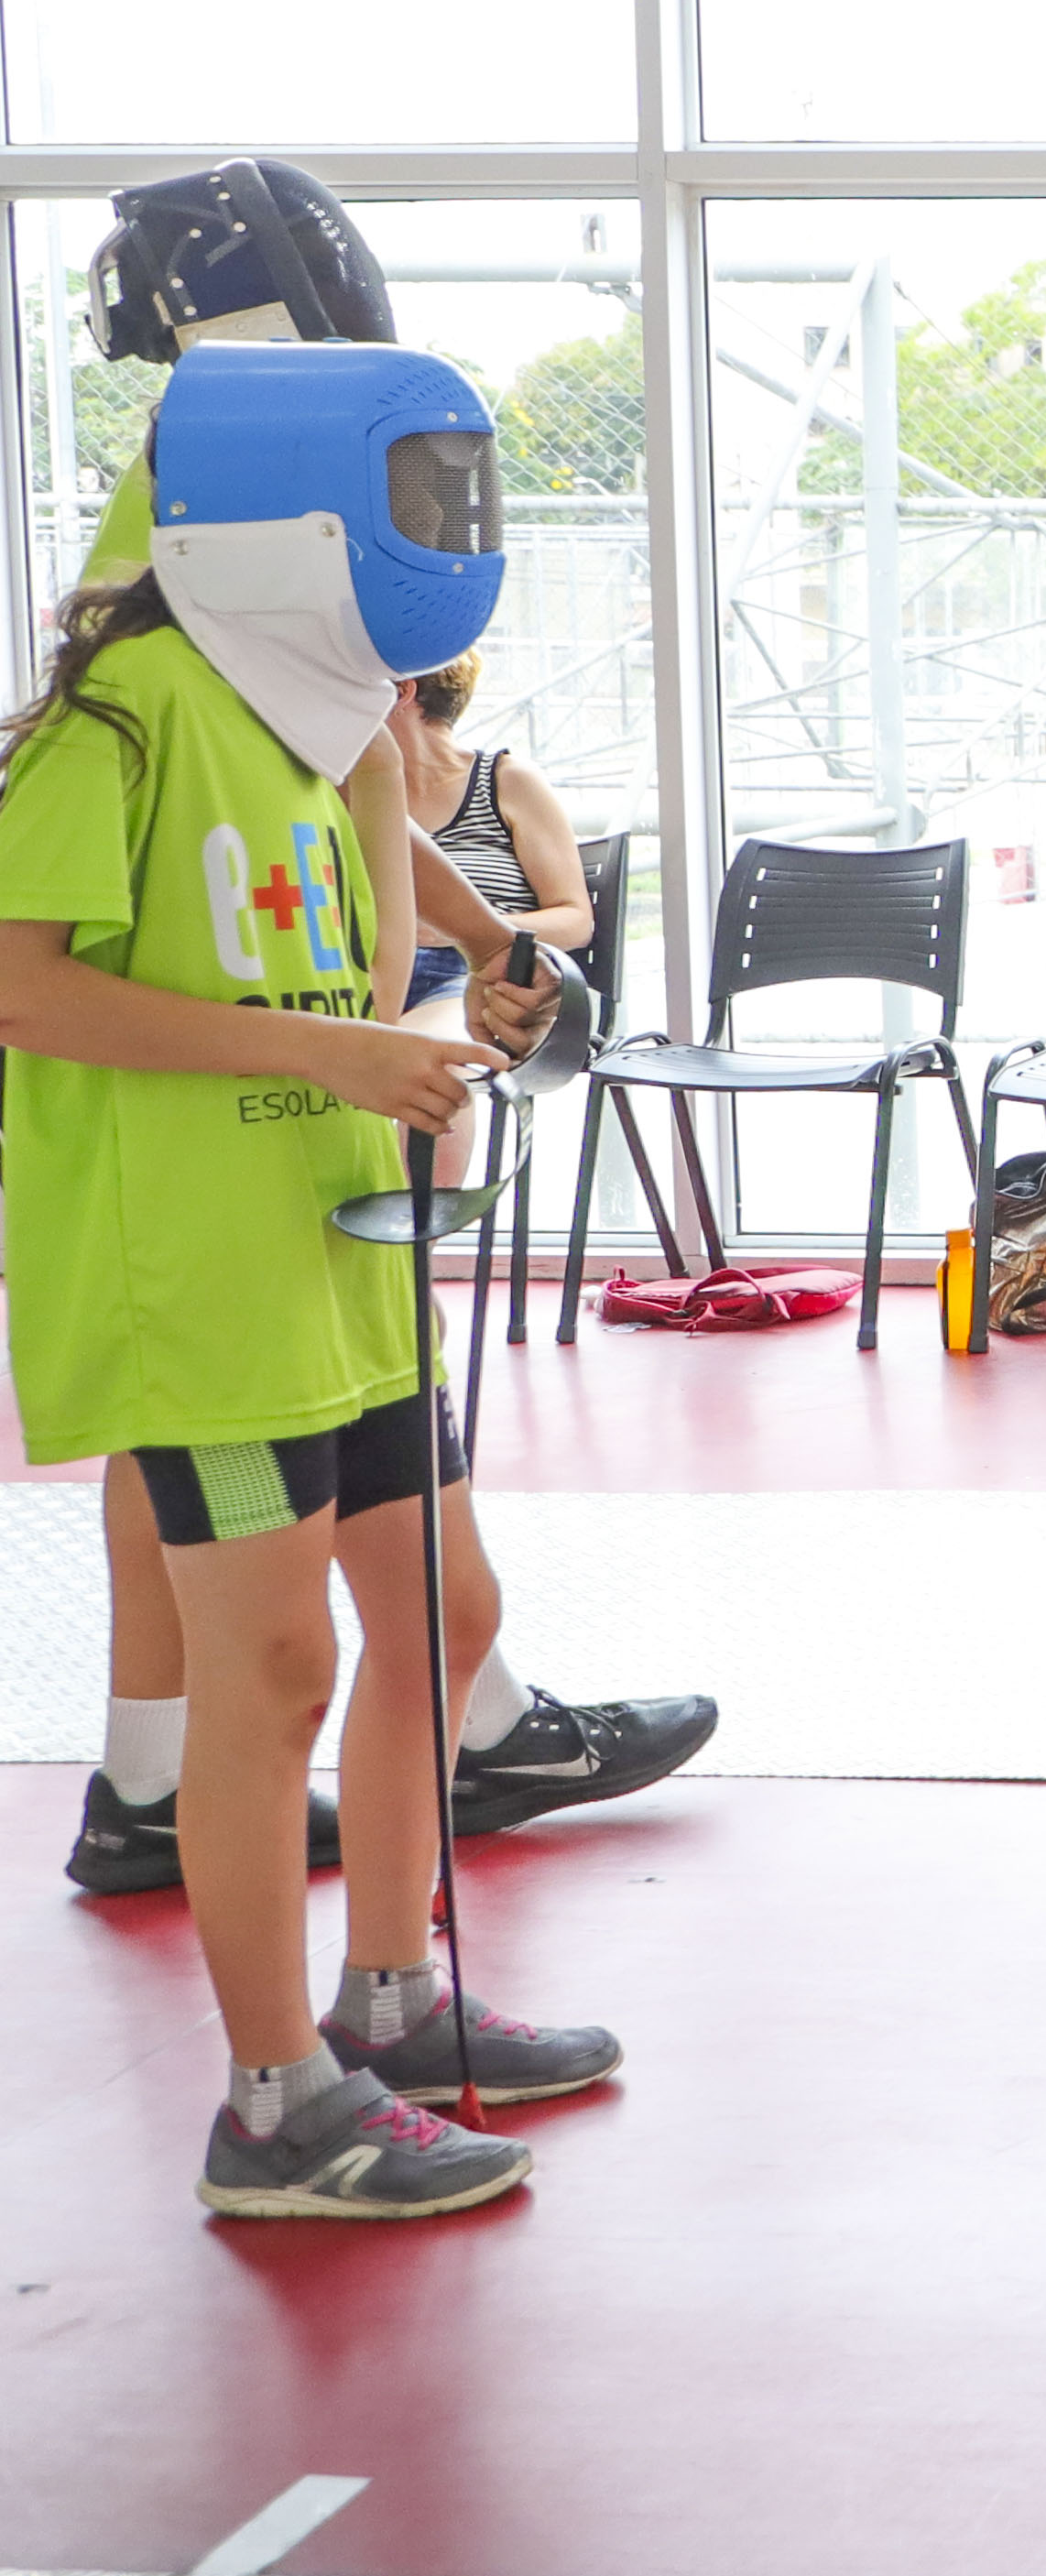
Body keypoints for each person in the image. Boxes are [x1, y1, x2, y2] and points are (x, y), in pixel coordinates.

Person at [3, 340, 616, 2218]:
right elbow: (24, 980)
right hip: (199, 1285)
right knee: (271, 1665)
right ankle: (275, 2101)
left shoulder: (315, 716)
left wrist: (486, 963)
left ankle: (395, 2002)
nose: (435, 536)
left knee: (437, 1612)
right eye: (406, 497)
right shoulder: (115, 723)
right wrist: (352, 1056)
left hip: (341, 1262)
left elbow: (359, 944)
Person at [60, 161, 714, 1902]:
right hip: (242, 1091)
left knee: (265, 1471)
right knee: (211, 1459)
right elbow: (276, 769)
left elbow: (346, 752)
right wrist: (351, 1028)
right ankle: (395, 1741)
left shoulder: (265, 467)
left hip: (322, 1076)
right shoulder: (207, 506)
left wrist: (487, 934)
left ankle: (188, 1768)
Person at [385, 654, 592, 1021]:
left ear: (402, 693)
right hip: (371, 972)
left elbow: (576, 922)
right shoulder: (355, 795)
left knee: (416, 1053)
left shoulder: (508, 781)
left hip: (475, 976)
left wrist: (466, 927)